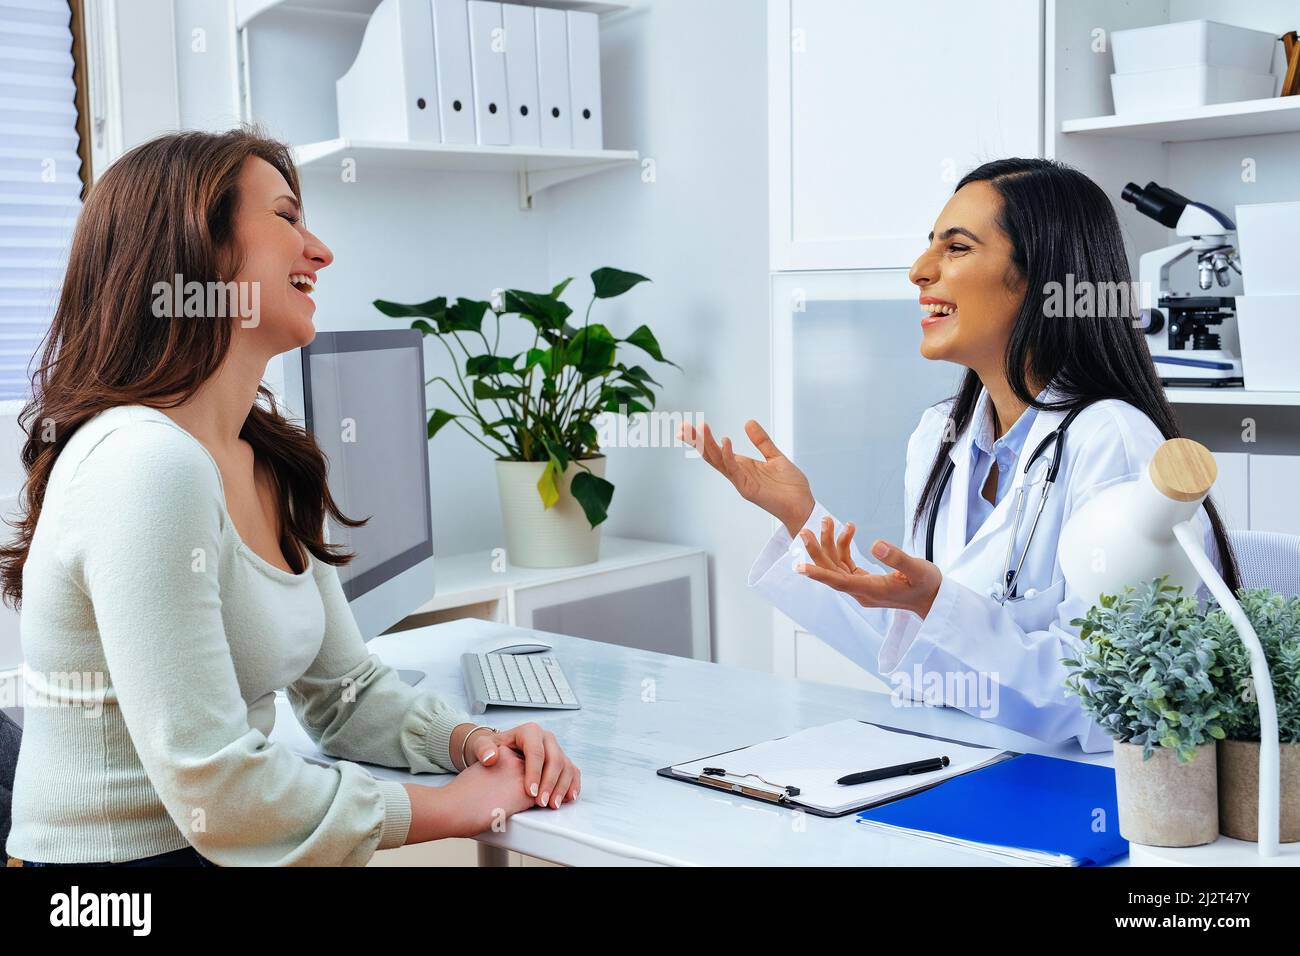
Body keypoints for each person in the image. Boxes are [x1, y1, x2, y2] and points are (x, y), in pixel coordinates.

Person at [2, 128, 579, 867]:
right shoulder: (144, 466)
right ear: (199, 252)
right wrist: (445, 809)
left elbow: (345, 695)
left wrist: (475, 746)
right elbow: (218, 787)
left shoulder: (269, 461)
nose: (319, 251)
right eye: (285, 218)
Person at [684, 157, 1238, 752]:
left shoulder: (1112, 441)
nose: (920, 272)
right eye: (931, 246)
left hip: (1078, 791)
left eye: (957, 248)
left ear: (1040, 279)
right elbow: (916, 659)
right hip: (960, 764)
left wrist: (938, 605)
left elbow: (1111, 699)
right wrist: (802, 518)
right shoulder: (937, 440)